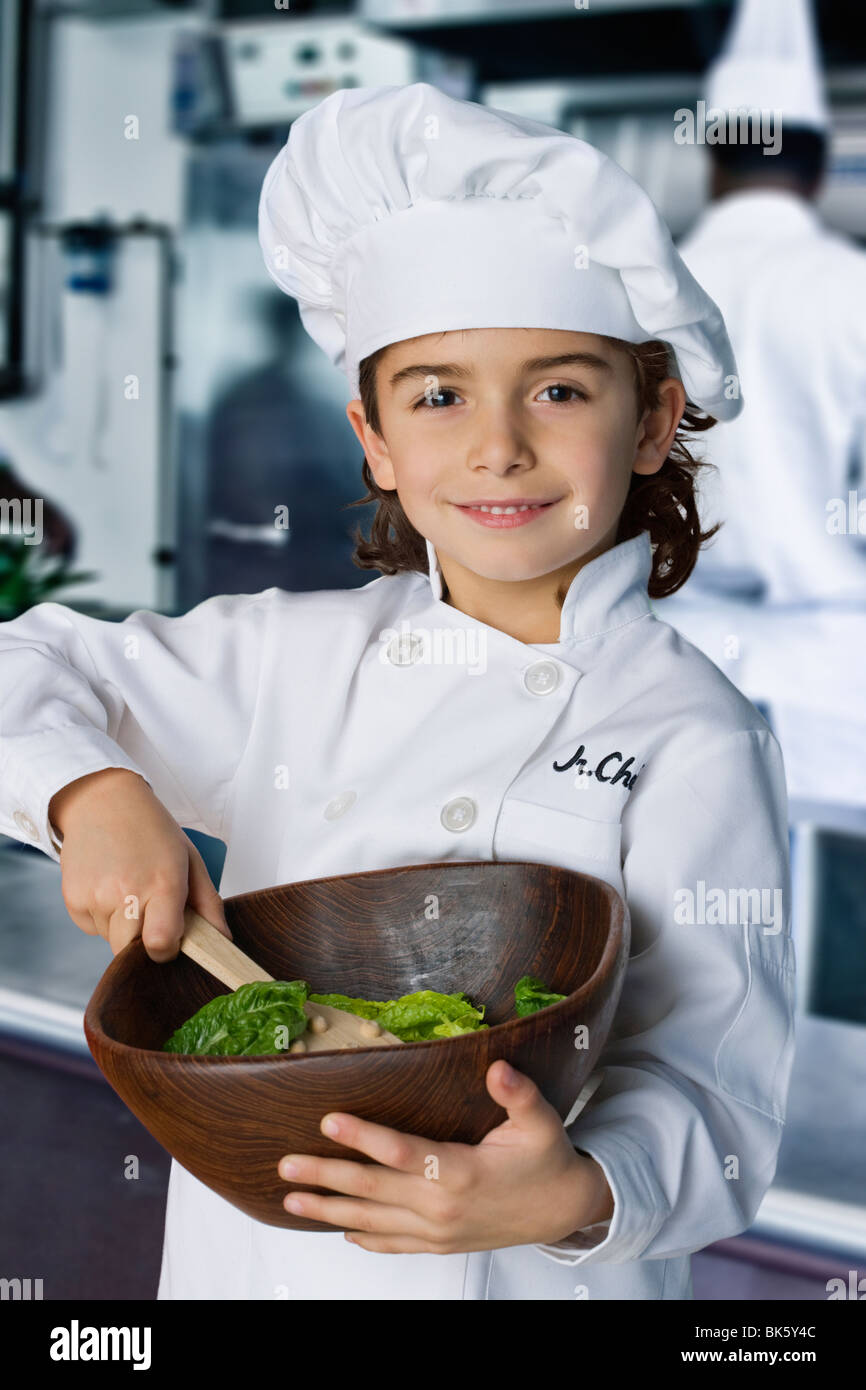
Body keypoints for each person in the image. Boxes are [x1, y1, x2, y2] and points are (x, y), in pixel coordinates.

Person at [0, 82, 795, 1301]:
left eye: (560, 389)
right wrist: (90, 789)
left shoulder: (692, 731)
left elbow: (715, 1093)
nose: (496, 445)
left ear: (651, 422)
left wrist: (577, 1192)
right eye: (437, 394)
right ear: (374, 438)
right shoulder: (289, 660)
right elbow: (25, 665)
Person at [675, 0, 866, 602]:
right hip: (833, 647)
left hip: (669, 632)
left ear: (712, 169)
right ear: (817, 174)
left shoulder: (642, 282)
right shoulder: (852, 282)